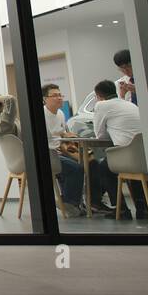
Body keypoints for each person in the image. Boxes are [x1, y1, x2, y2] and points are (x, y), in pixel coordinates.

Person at [92, 79, 148, 220]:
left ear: (98, 96)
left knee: (103, 167)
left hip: (126, 155)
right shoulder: (130, 105)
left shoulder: (101, 105)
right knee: (128, 169)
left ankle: (121, 209)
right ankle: (143, 208)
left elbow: (99, 135)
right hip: (144, 156)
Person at [42, 84, 86, 216]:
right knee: (76, 168)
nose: (59, 98)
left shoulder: (60, 113)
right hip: (50, 153)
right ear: (45, 99)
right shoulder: (42, 114)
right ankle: (70, 203)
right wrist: (63, 136)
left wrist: (67, 135)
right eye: (54, 95)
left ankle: (72, 202)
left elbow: (62, 132)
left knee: (89, 163)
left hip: (61, 150)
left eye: (60, 95)